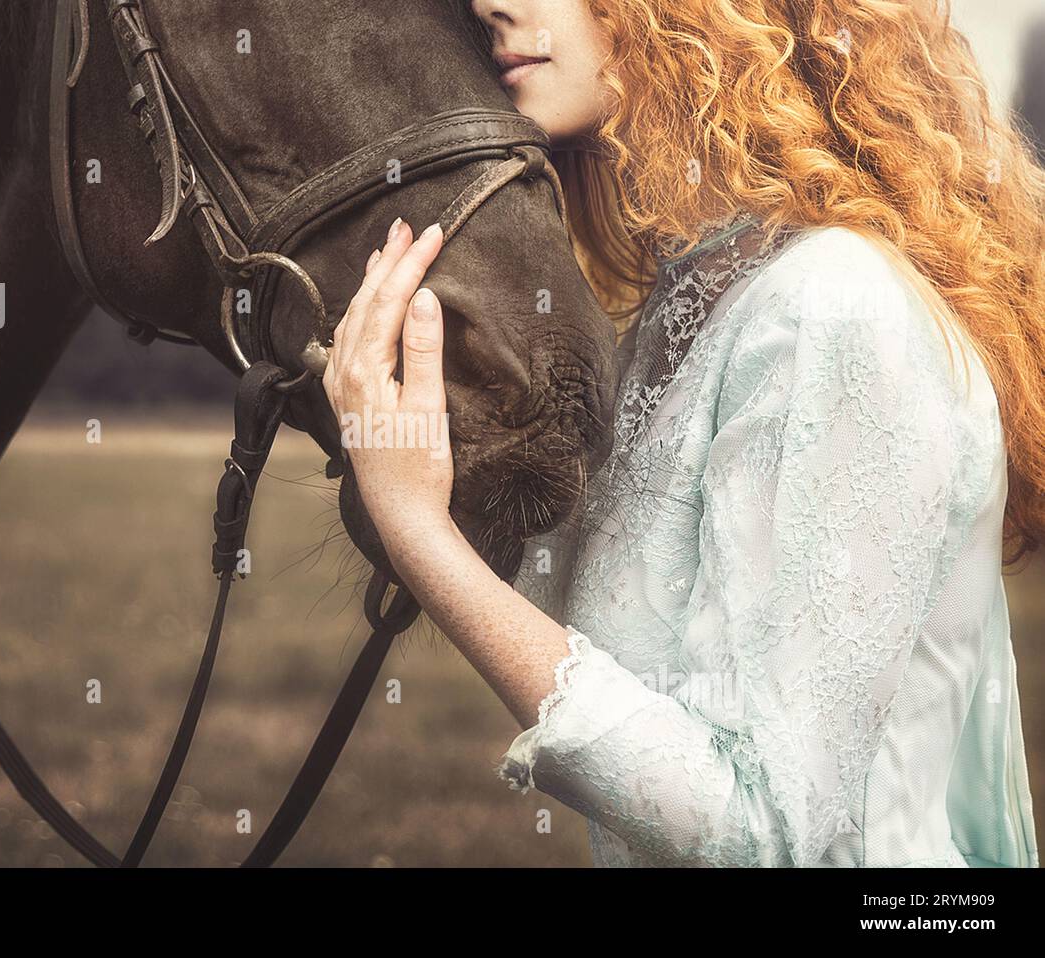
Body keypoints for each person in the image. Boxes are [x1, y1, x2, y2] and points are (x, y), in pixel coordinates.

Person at [322, 0, 1045, 866]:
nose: (488, 4)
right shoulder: (689, 306)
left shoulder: (834, 308)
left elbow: (774, 839)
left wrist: (418, 533)